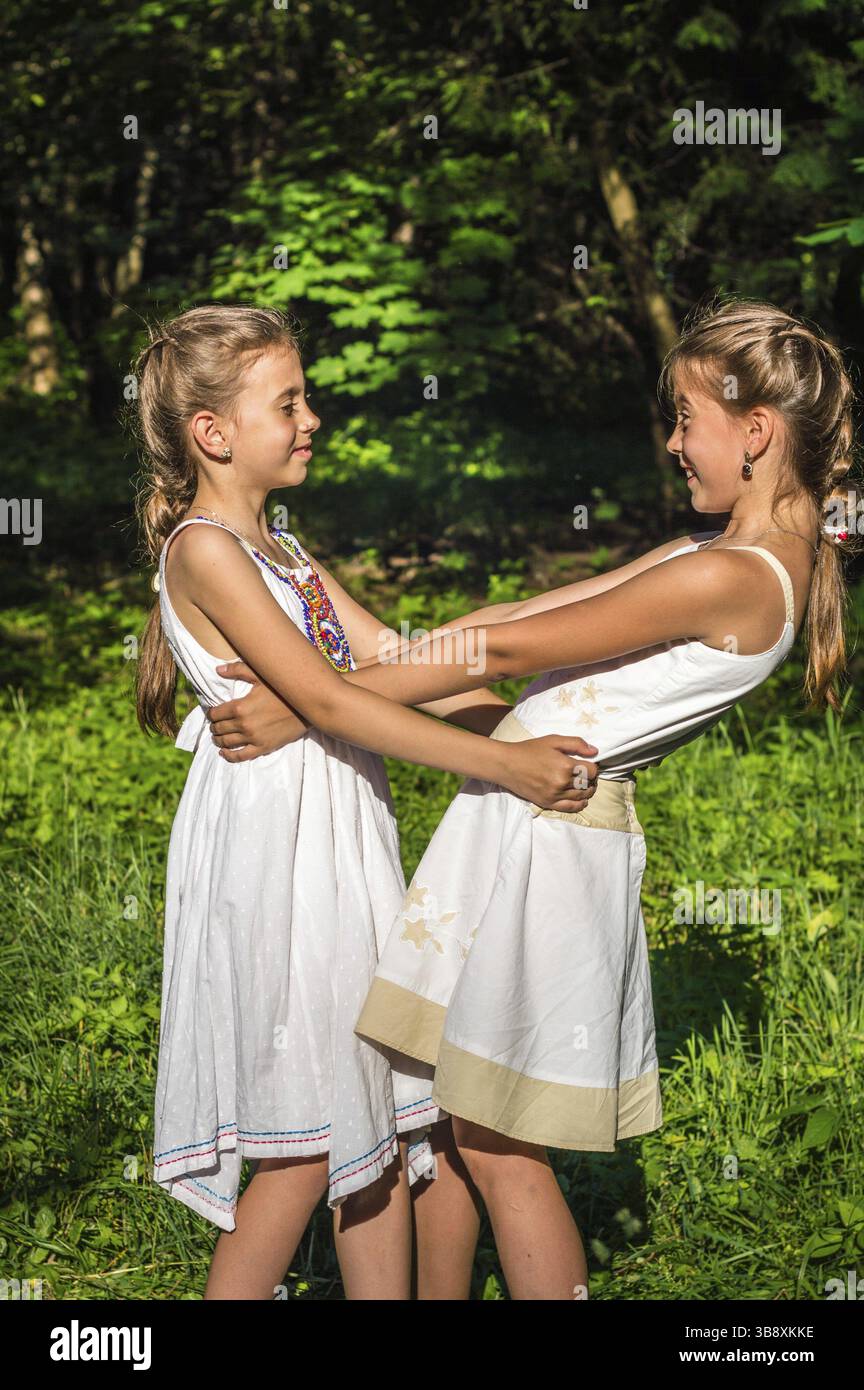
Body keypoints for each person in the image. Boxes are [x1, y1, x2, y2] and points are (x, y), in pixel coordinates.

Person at [207, 295, 858, 1299]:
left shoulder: (740, 574)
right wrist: (334, 687)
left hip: (550, 845)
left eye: (687, 419)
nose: (675, 443)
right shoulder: (713, 554)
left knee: (501, 1142)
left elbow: (508, 649)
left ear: (757, 431)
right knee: (455, 1115)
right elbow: (511, 615)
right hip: (509, 825)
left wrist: (310, 707)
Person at [132, 303, 597, 1300]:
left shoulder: (288, 553)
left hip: (338, 845)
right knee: (303, 1144)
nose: (312, 418)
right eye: (287, 401)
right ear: (212, 432)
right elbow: (332, 698)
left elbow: (394, 656)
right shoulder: (203, 550)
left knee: (374, 1119)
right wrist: (511, 770)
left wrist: (512, 725)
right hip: (277, 862)